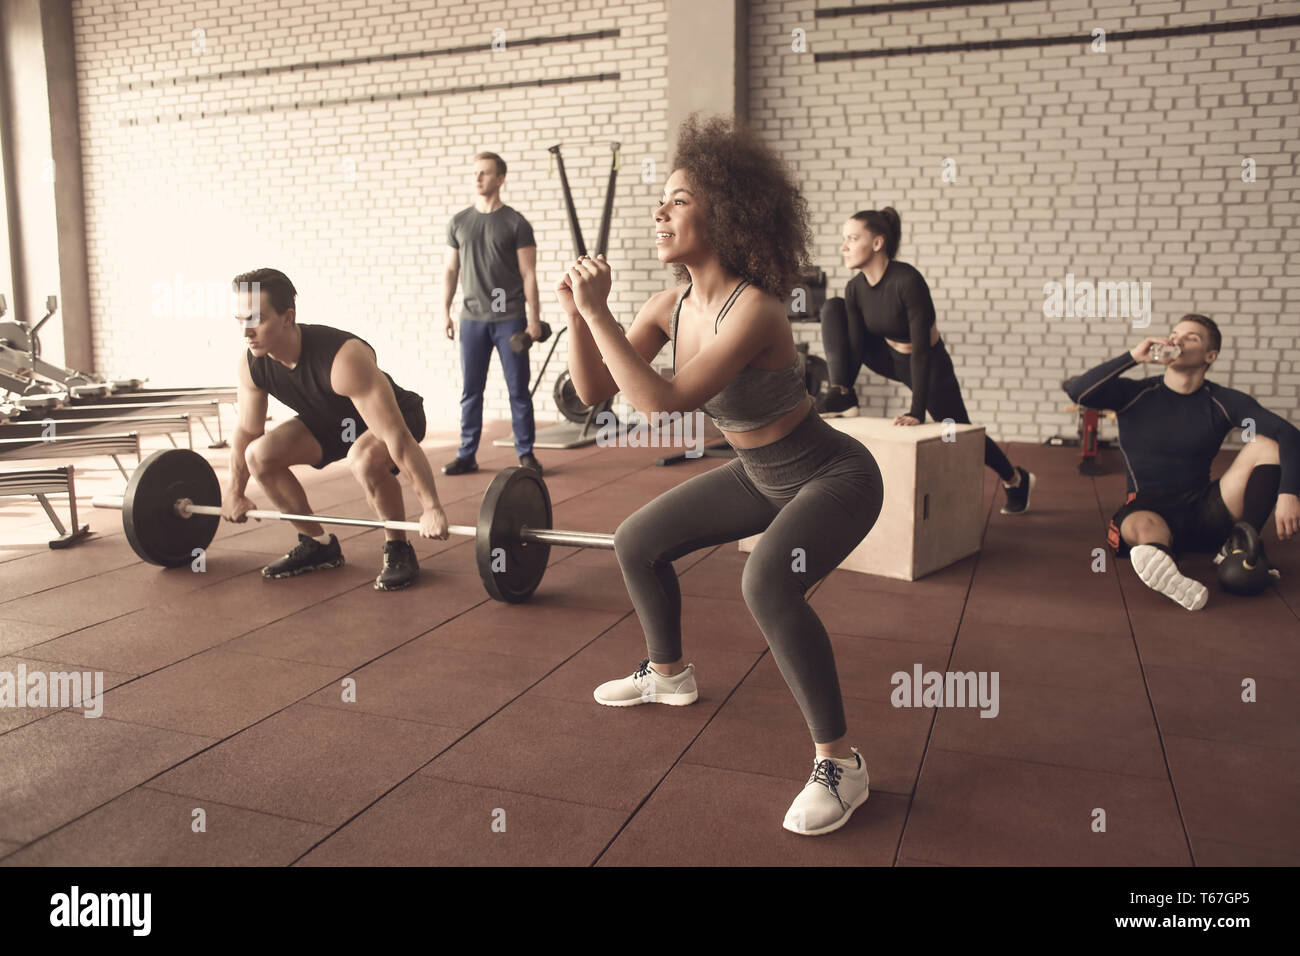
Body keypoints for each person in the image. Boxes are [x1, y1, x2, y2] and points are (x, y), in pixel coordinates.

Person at [558, 115, 885, 836]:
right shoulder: (668, 305)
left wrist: (596, 311)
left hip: (832, 475)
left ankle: (842, 763)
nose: (660, 211)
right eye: (663, 199)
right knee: (636, 541)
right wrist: (580, 317)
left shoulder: (757, 311)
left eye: (678, 199)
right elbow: (592, 396)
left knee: (766, 582)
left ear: (727, 213)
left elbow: (660, 403)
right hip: (758, 472)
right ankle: (667, 671)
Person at [224, 268, 449, 591]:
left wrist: (431, 507)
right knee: (258, 456)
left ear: (288, 318)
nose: (246, 332)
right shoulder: (252, 363)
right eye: (239, 320)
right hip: (330, 424)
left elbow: (395, 436)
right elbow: (247, 430)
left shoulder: (343, 357)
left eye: (256, 319)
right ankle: (317, 544)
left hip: (398, 420)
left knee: (363, 458)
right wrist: (235, 491)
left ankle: (398, 547)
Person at [1065, 314, 1299, 610]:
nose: (1177, 340)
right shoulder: (1134, 394)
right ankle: (1164, 565)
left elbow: (1288, 434)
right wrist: (1134, 356)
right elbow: (1079, 391)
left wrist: (1289, 492)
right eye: (1174, 333)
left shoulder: (1223, 402)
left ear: (1210, 356)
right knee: (1143, 525)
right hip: (1148, 507)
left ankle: (1236, 543)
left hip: (1206, 509)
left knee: (1264, 444)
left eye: (1191, 337)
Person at [819, 209, 1035, 514]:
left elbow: (921, 350)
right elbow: (855, 345)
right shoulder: (854, 288)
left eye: (853, 238)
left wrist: (917, 410)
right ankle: (842, 395)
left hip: (928, 363)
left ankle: (1015, 479)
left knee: (956, 429)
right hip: (886, 356)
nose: (844, 246)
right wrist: (843, 387)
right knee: (832, 308)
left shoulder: (907, 280)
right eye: (844, 239)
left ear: (878, 243)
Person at [442, 151, 544, 475]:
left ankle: (525, 453)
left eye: (485, 173)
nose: (478, 178)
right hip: (472, 318)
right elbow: (450, 270)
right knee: (471, 391)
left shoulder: (516, 223)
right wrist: (444, 311)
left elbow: (529, 274)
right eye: (475, 173)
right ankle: (467, 453)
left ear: (500, 179)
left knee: (518, 390)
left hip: (508, 316)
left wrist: (534, 319)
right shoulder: (459, 222)